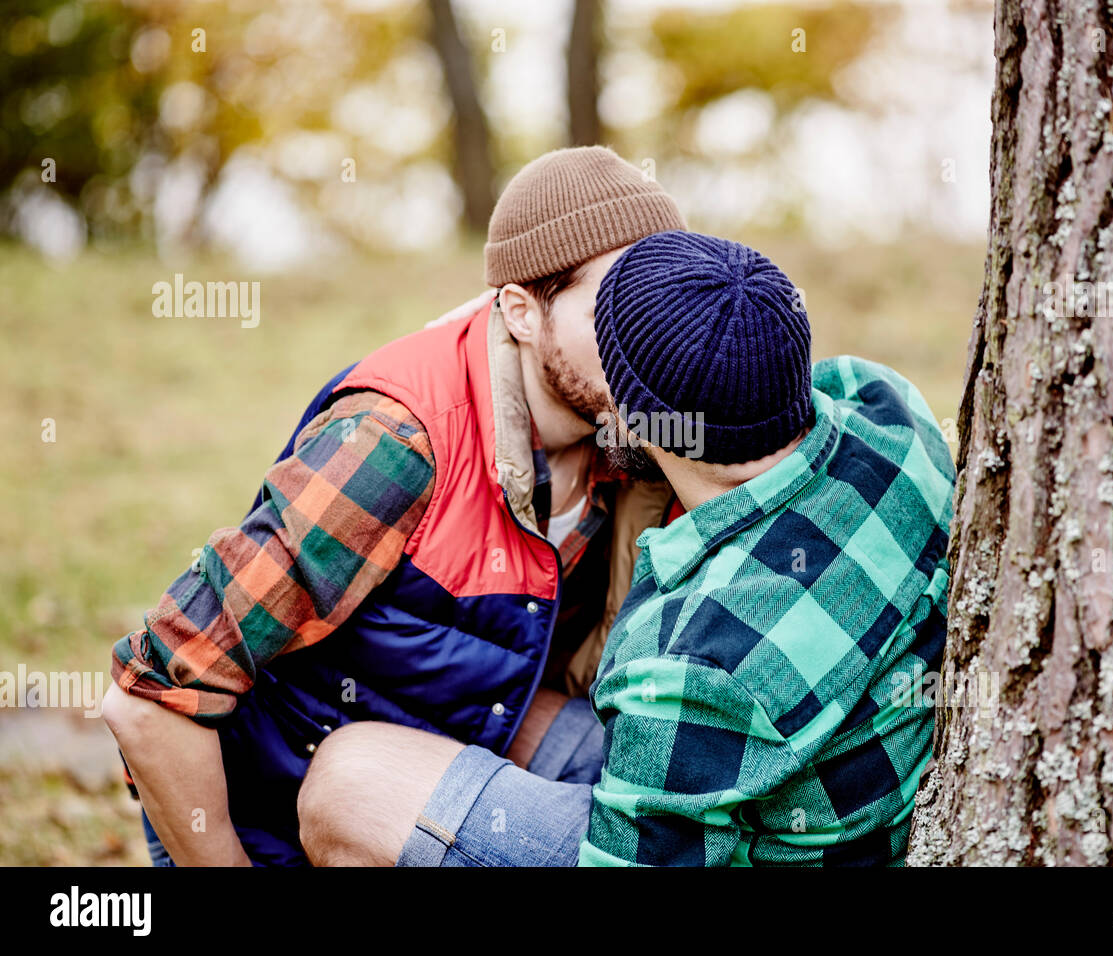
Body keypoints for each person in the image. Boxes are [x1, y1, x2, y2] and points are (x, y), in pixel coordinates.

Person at [295, 230, 957, 866]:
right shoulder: (885, 408)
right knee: (500, 717)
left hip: (743, 846)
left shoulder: (691, 658)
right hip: (811, 786)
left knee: (351, 784)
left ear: (641, 420)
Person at [101, 146, 686, 866]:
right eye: (616, 304)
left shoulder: (631, 432)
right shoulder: (398, 442)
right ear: (521, 312)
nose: (654, 335)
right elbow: (150, 695)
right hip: (280, 823)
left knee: (663, 784)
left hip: (453, 738)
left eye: (663, 300)